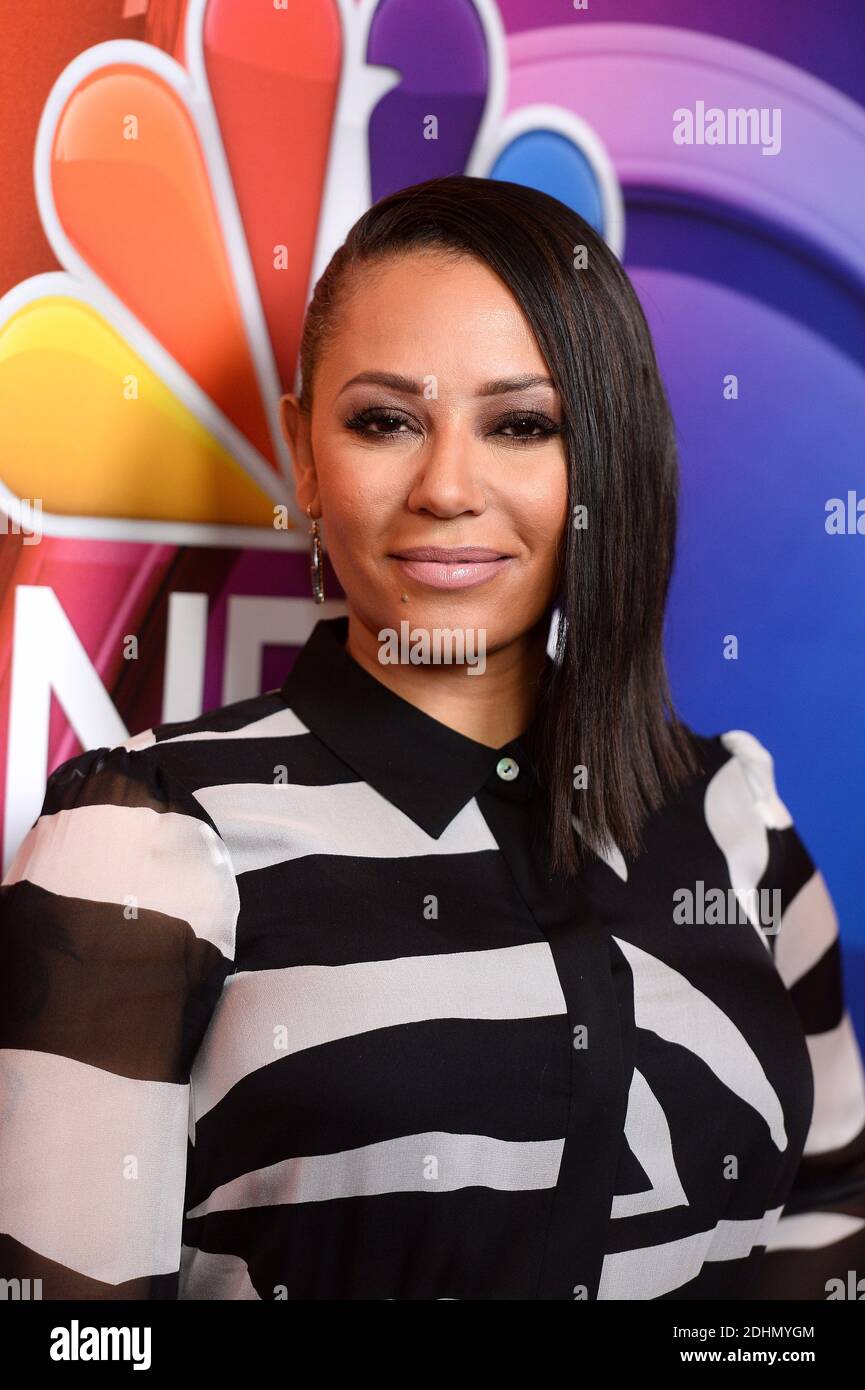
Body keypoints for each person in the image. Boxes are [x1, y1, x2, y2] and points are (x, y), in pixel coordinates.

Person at [1, 175, 863, 1300]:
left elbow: (825, 1220)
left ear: (603, 459)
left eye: (520, 424)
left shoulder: (736, 819)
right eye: (384, 420)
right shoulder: (144, 846)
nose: (447, 486)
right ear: (305, 457)